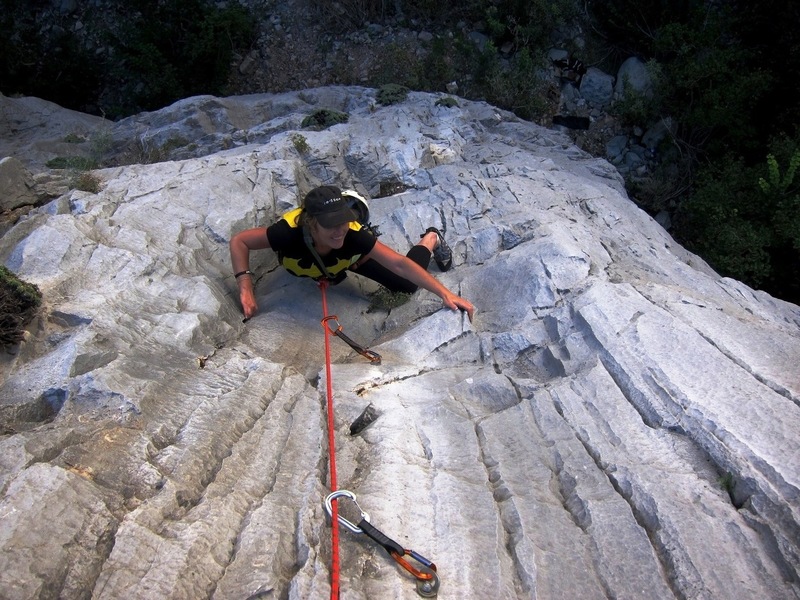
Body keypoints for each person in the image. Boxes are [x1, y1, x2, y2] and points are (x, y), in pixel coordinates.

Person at [230, 185, 475, 322]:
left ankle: (430, 239)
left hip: (349, 259)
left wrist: (446, 294)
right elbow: (240, 241)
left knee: (407, 285)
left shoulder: (353, 236)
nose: (340, 230)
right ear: (311, 223)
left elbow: (400, 264)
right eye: (331, 224)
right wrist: (245, 287)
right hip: (330, 261)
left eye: (344, 221)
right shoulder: (287, 233)